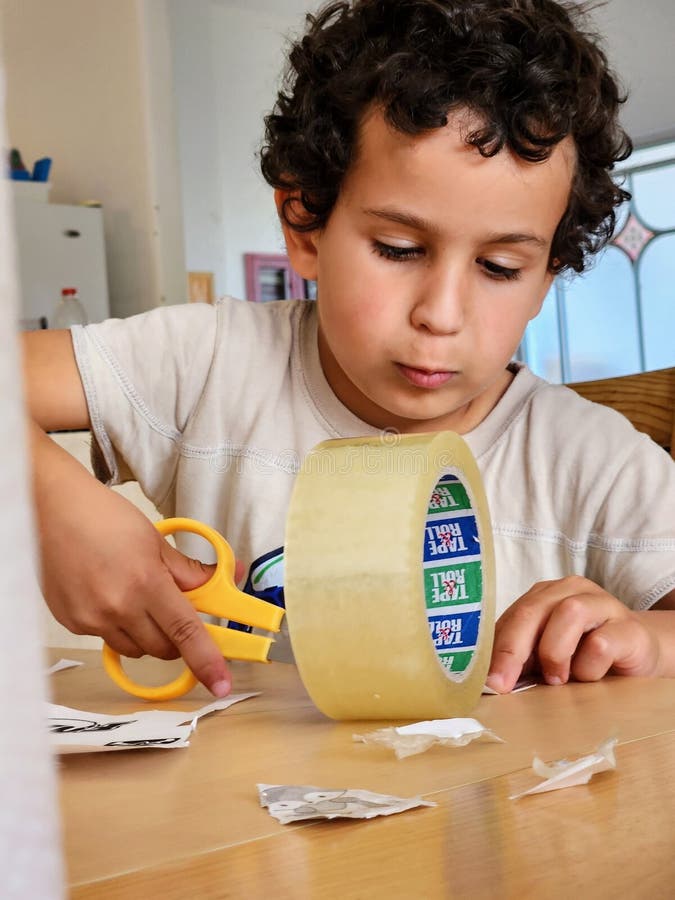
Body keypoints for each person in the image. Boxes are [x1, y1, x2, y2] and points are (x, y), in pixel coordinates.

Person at [23, 0, 675, 698]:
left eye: (499, 268)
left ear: (547, 275)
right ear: (305, 223)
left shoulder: (595, 462)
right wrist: (44, 498)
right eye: (397, 249)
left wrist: (649, 639)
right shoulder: (208, 363)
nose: (440, 315)